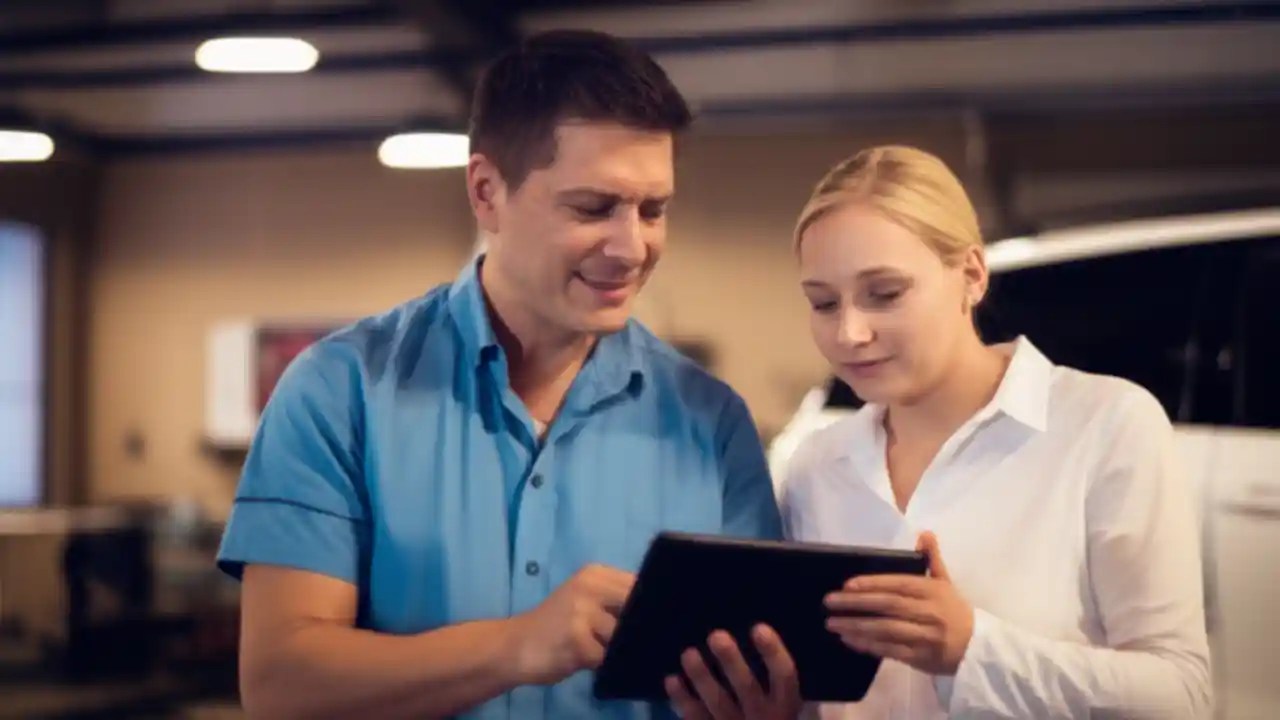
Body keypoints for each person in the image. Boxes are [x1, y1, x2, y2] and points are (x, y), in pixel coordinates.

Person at [215, 30, 782, 720]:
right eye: (594, 208)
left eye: (653, 209)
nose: (632, 247)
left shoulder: (713, 424)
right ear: (486, 192)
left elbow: (758, 673)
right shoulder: (338, 392)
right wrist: (517, 647)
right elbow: (280, 686)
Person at [670, 145, 1213, 720]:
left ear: (972, 276)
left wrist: (971, 648)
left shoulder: (1105, 426)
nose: (849, 332)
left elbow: (1180, 695)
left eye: (885, 294)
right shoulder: (817, 464)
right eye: (824, 303)